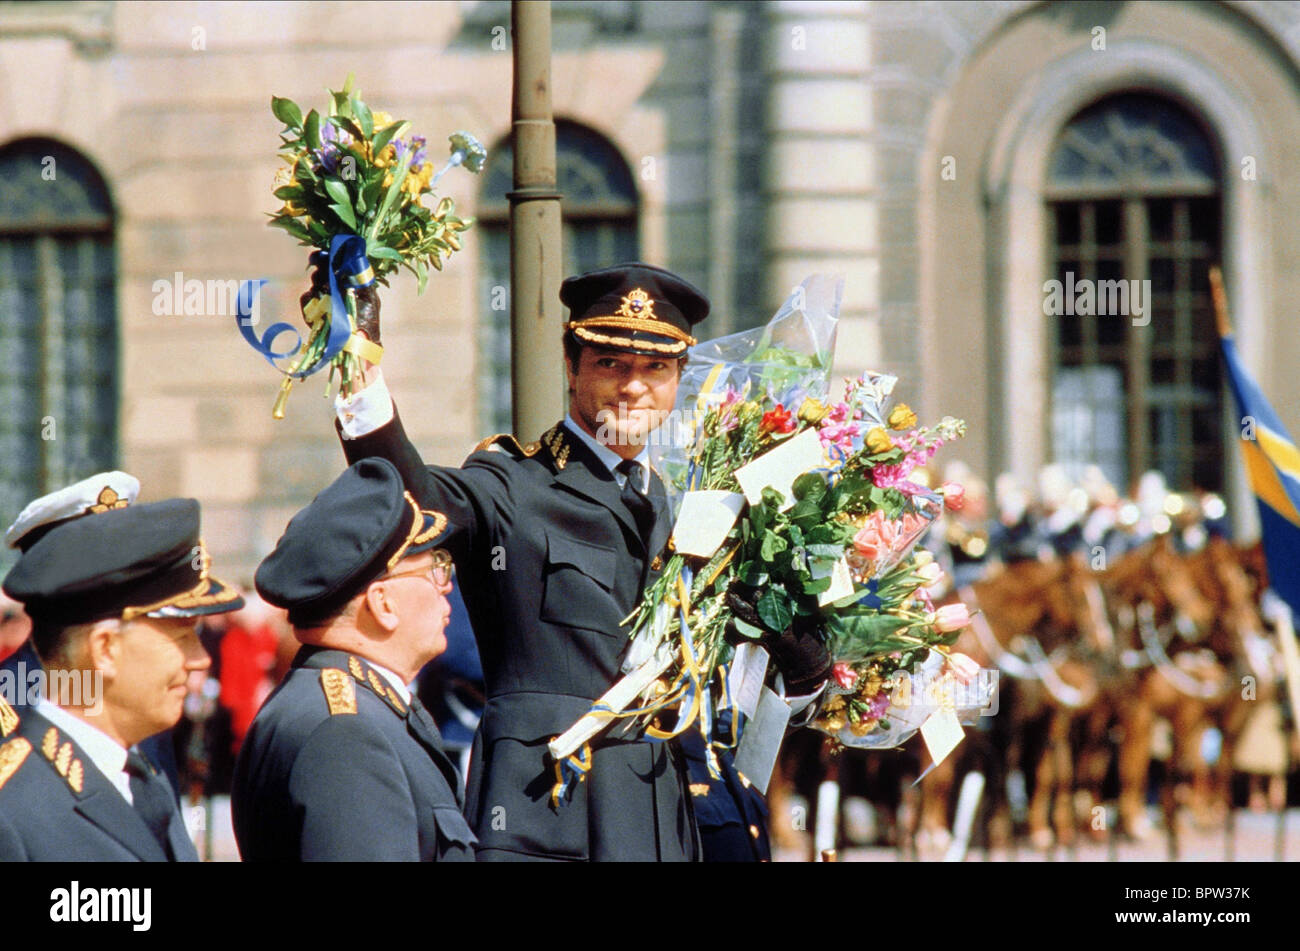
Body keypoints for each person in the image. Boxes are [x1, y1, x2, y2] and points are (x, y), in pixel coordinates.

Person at [320, 261, 831, 861]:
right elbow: (408, 499)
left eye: (655, 368)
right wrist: (358, 366)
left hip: (659, 814)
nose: (633, 386)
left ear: (676, 381)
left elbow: (728, 694)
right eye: (610, 363)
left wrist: (803, 666)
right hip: (545, 811)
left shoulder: (687, 509)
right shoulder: (512, 482)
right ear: (571, 366)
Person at [231, 457, 475, 862]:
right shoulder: (346, 735)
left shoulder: (351, 707)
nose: (446, 588)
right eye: (435, 569)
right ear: (382, 603)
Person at [0, 487, 244, 861]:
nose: (201, 660)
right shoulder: (13, 810)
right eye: (182, 636)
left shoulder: (137, 772)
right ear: (105, 649)